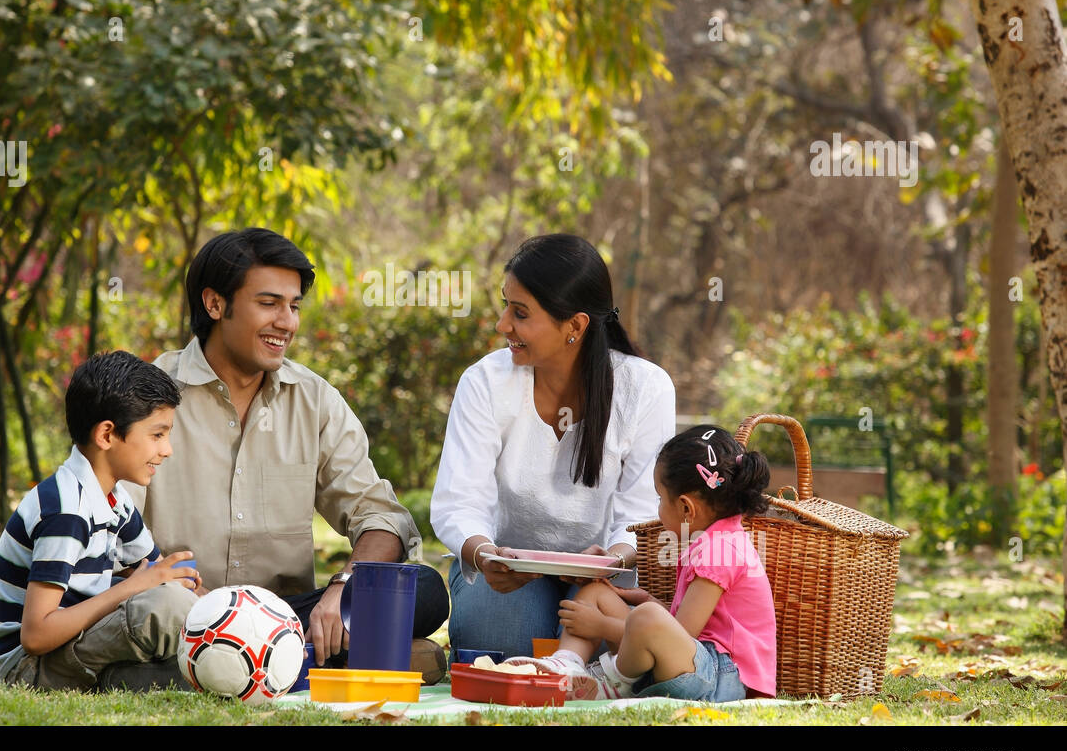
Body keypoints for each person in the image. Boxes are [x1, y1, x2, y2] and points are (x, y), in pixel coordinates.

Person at [131, 228, 449, 680]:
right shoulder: (148, 393)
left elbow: (379, 516)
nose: (287, 322)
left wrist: (343, 587)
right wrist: (173, 592)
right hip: (182, 613)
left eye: (294, 306)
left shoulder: (314, 400)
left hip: (285, 618)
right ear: (215, 304)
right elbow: (109, 533)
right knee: (146, 610)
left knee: (425, 590)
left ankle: (261, 663)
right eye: (269, 304)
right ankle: (315, 663)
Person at [430, 234, 676, 658]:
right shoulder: (485, 382)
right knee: (502, 642)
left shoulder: (645, 388)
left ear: (575, 326)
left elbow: (643, 511)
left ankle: (582, 648)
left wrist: (613, 561)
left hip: (605, 581)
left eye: (520, 313)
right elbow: (459, 502)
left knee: (596, 637)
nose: (502, 324)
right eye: (505, 305)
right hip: (505, 577)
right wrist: (486, 554)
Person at [0, 350, 205, 692]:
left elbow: (159, 571)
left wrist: (231, 609)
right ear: (106, 435)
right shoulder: (65, 511)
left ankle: (167, 674)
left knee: (173, 601)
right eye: (157, 435)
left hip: (73, 645)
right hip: (30, 667)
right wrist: (135, 587)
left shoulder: (113, 499)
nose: (167, 449)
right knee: (163, 605)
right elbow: (36, 636)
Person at [509, 425, 777, 701]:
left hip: (723, 679)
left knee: (646, 617)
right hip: (698, 663)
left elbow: (680, 633)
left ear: (686, 508)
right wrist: (648, 599)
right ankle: (566, 663)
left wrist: (601, 626)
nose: (658, 509)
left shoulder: (721, 550)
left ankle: (610, 683)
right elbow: (680, 629)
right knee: (597, 592)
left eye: (661, 499)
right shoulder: (714, 541)